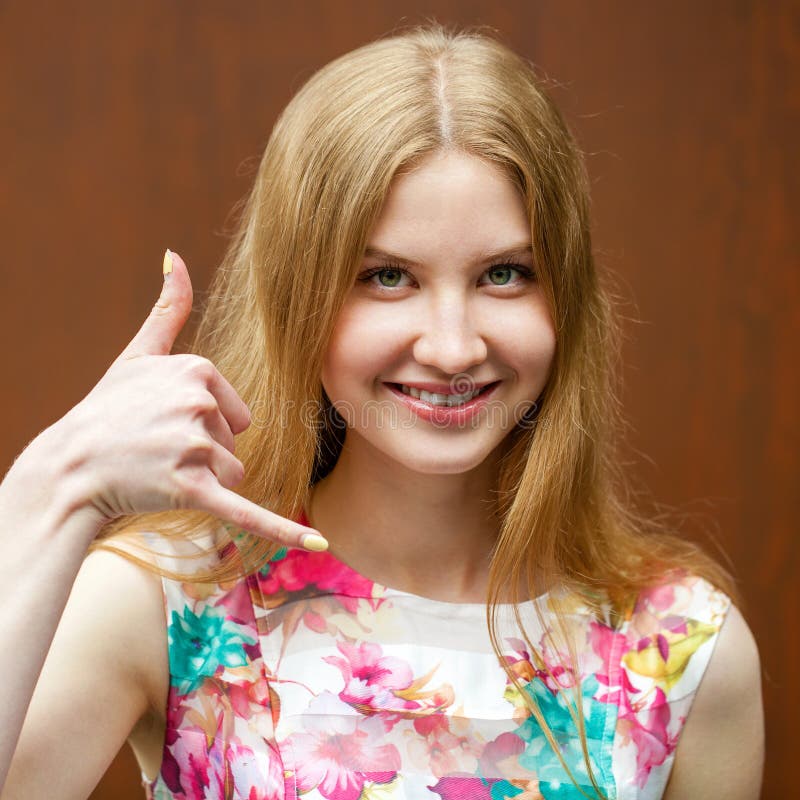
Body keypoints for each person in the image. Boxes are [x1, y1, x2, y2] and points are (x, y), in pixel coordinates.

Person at [0, 23, 763, 800]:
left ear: (566, 297)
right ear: (299, 297)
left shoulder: (684, 653)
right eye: (388, 277)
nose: (453, 346)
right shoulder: (168, 604)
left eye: (504, 273)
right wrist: (54, 481)